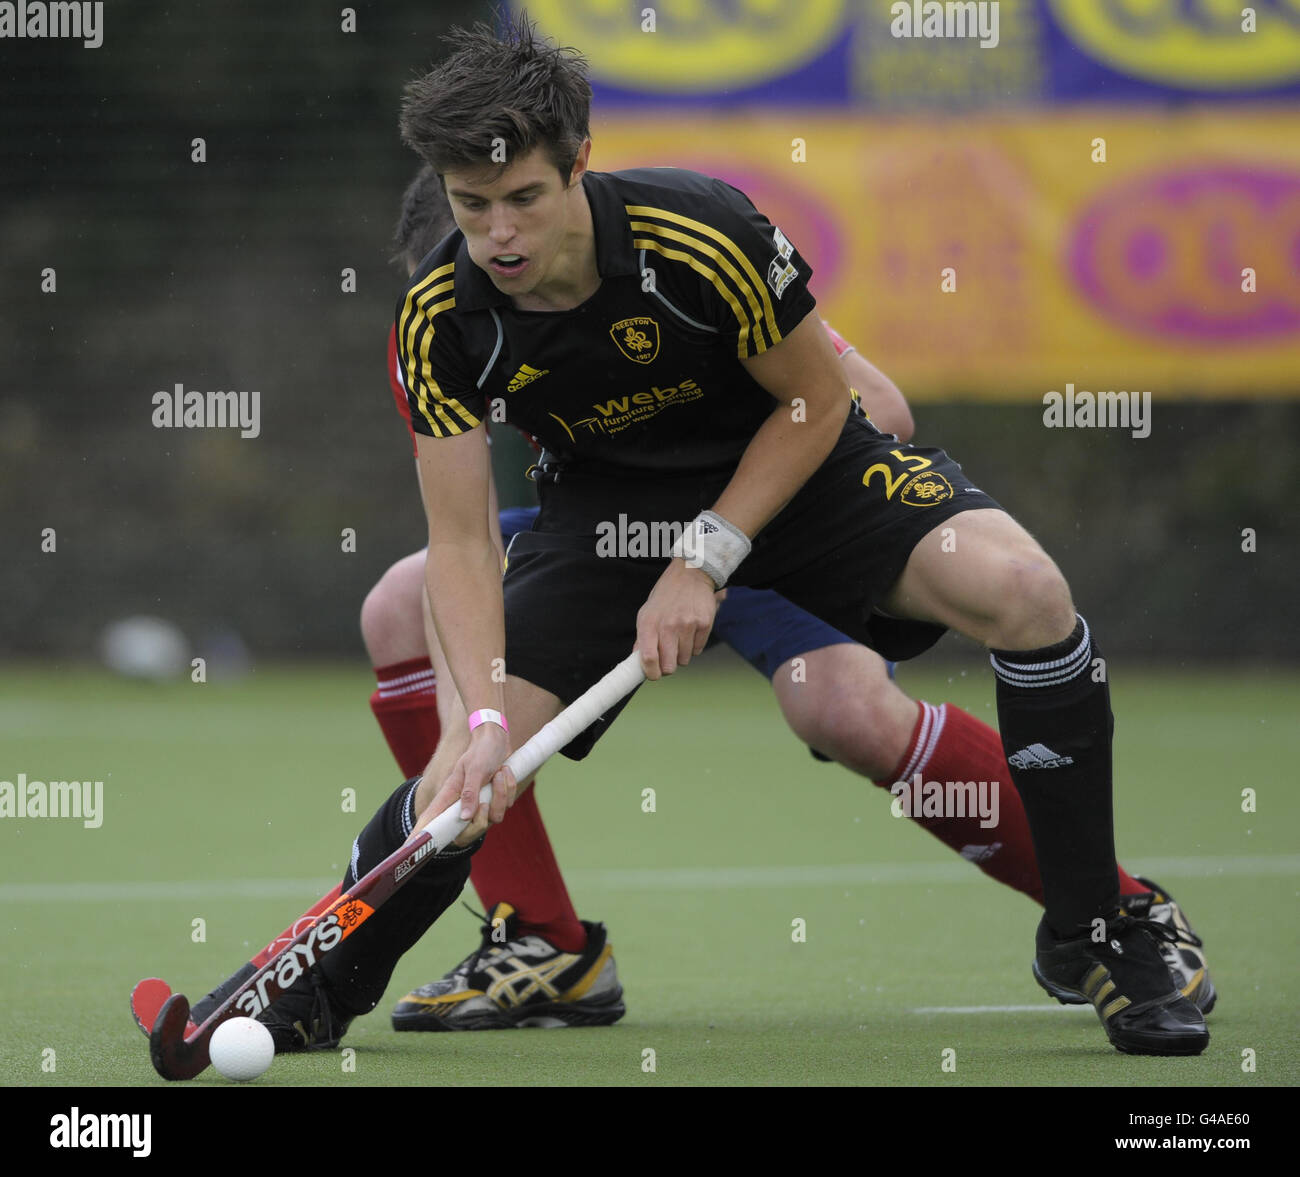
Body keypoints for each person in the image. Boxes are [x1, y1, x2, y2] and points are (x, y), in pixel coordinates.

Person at [260, 15, 1210, 1058]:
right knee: (465, 756)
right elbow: (459, 541)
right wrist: (483, 713)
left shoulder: (699, 232)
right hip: (605, 525)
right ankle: (328, 982)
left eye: (523, 199)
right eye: (472, 207)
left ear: (578, 166)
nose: (501, 238)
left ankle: (1104, 924)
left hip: (797, 489)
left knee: (1015, 592)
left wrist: (707, 557)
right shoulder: (438, 317)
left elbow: (832, 405)